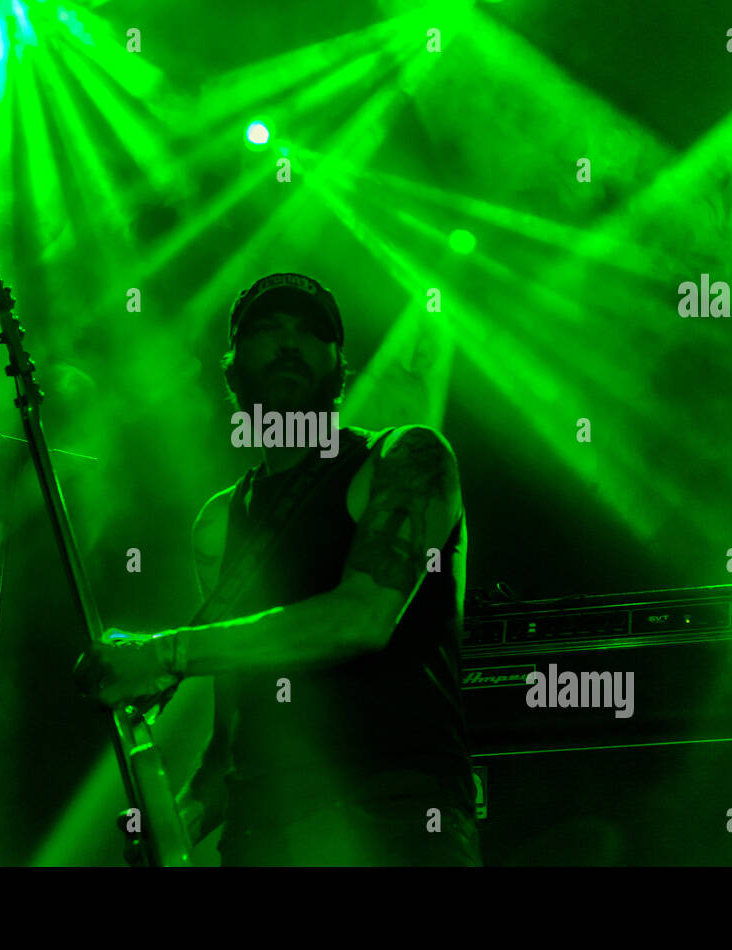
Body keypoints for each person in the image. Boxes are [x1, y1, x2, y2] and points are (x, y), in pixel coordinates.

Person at [76, 272, 482, 866]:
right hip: (261, 837)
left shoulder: (406, 458)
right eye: (268, 329)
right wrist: (178, 823)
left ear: (339, 363)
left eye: (311, 332)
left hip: (392, 818)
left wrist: (162, 653)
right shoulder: (219, 525)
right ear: (232, 366)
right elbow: (230, 739)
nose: (290, 343)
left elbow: (361, 618)